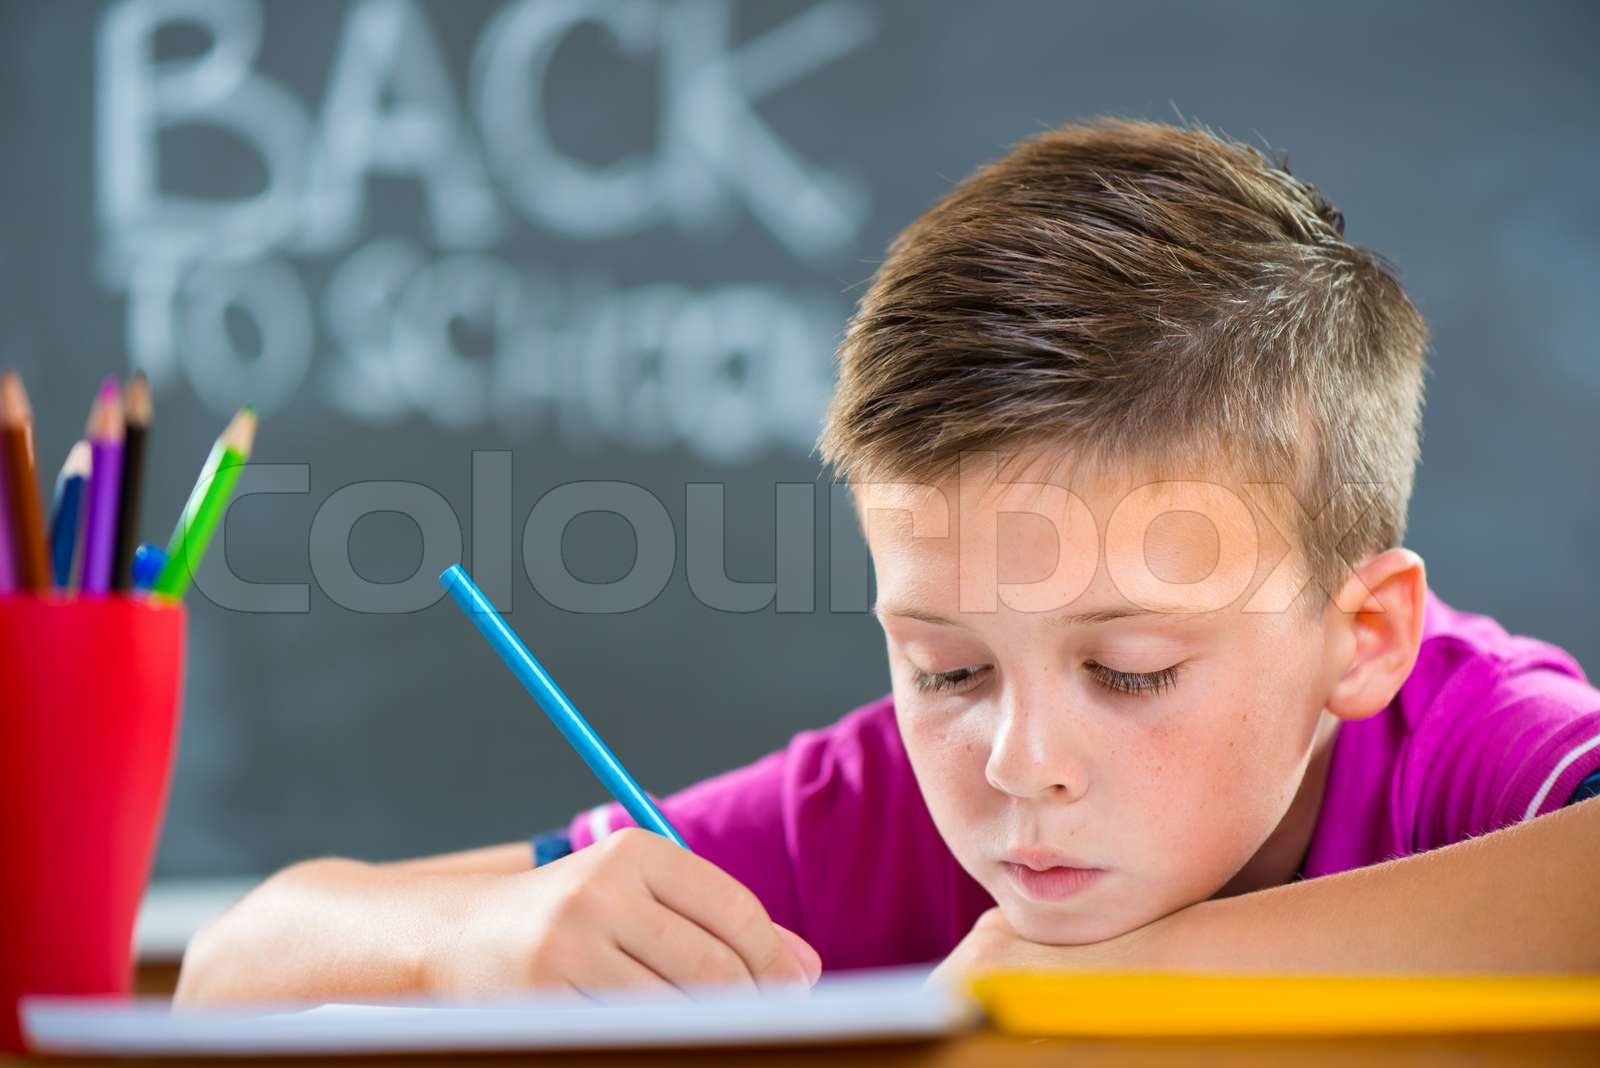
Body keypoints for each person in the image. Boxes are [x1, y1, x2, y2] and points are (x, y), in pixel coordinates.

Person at [175, 118, 1600, 1004]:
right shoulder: (874, 813)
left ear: (1363, 637)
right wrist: (468, 945)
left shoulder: (1469, 749)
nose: (1018, 762)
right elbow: (241, 966)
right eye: (948, 666)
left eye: (1131, 668)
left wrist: (1103, 994)